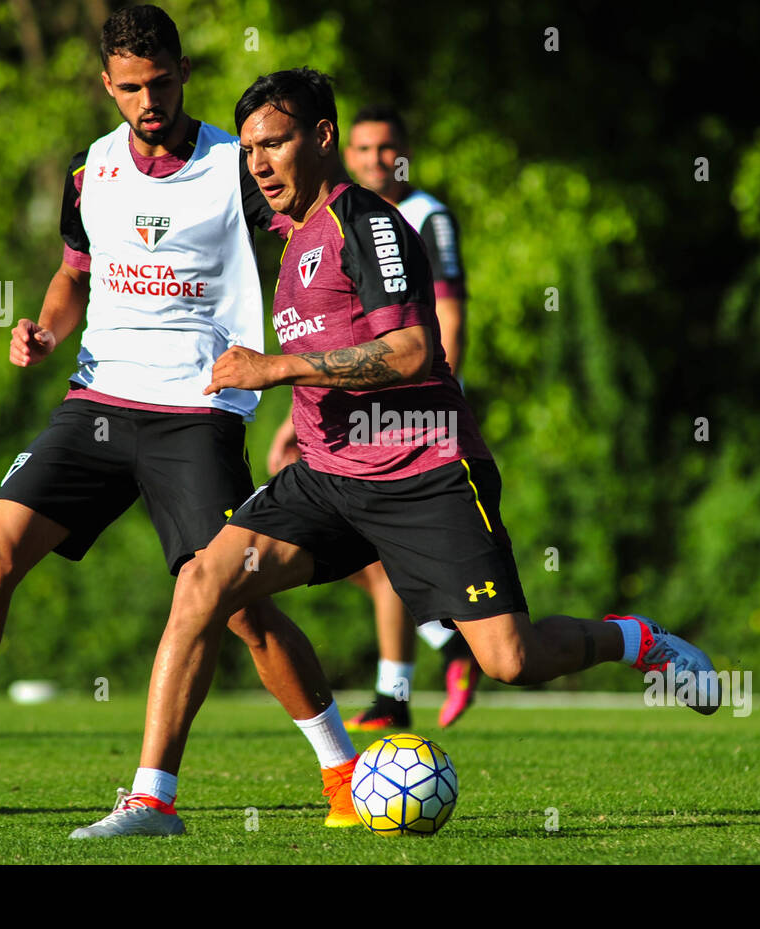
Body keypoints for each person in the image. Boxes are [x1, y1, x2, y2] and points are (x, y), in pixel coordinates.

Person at [72, 66, 719, 838]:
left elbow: (414, 350)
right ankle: (153, 801)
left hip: (426, 474)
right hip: (327, 478)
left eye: (274, 143)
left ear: (322, 138)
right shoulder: (281, 222)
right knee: (204, 580)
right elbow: (180, 170)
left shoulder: (369, 225)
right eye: (249, 150)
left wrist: (279, 368)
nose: (259, 164)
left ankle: (638, 639)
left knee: (508, 658)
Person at [0, 6, 361, 835]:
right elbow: (75, 275)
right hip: (98, 402)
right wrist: (42, 328)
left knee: (237, 603)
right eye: (130, 87)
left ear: (183, 73)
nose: (148, 101)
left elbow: (318, 233)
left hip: (197, 409)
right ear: (107, 85)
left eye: (162, 82)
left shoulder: (234, 166)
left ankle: (344, 772)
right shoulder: (89, 171)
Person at [267, 105, 482, 732]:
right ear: (343, 151)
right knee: (364, 558)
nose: (374, 161)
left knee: (396, 561)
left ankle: (415, 675)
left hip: (415, 423)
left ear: (404, 152)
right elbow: (321, 329)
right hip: (343, 414)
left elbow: (447, 320)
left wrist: (434, 399)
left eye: (386, 149)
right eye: (362, 150)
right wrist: (293, 418)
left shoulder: (425, 217)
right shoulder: (324, 219)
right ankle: (434, 655)